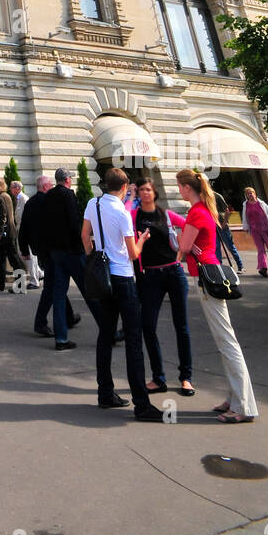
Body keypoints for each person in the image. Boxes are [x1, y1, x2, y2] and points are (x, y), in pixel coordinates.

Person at [176, 169, 258, 423]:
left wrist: (178, 241)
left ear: (187, 188)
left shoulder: (196, 212)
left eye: (179, 186)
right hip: (210, 277)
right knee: (225, 342)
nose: (178, 190)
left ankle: (244, 406)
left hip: (207, 280)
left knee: (227, 343)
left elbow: (184, 246)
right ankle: (234, 397)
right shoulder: (204, 210)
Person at [82, 169, 162, 421]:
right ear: (125, 186)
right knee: (133, 340)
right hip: (123, 278)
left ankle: (105, 392)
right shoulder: (122, 213)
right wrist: (142, 239)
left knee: (105, 335)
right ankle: (142, 404)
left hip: (103, 277)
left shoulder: (92, 203)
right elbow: (133, 254)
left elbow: (85, 235)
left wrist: (93, 257)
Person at [133, 178, 194, 396]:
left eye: (148, 189)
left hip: (174, 272)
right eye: (141, 190)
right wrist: (130, 197)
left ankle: (186, 377)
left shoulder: (166, 215)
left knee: (182, 326)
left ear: (155, 192)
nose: (145, 193)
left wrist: (182, 250)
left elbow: (189, 224)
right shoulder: (134, 216)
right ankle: (158, 378)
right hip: (150, 276)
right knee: (148, 326)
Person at [43, 167, 101, 348]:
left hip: (56, 253)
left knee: (58, 295)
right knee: (90, 290)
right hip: (72, 252)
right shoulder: (68, 196)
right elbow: (75, 223)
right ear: (67, 180)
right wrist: (85, 248)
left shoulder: (48, 196)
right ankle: (109, 330)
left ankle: (61, 338)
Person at [18, 175, 80, 336]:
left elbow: (23, 227)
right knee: (52, 287)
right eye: (50, 185)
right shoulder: (49, 202)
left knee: (57, 284)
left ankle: (68, 317)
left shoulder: (30, 202)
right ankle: (40, 322)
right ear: (45, 186)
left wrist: (24, 249)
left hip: (41, 250)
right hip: (52, 250)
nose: (52, 187)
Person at [0, 176, 25, 291]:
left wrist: (0, 232)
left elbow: (2, 217)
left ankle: (20, 286)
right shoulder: (7, 196)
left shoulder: (1, 198)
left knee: (13, 259)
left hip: (6, 234)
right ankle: (0, 283)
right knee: (1, 259)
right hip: (10, 232)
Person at [241, 185, 268, 277]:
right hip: (255, 231)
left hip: (267, 229)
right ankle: (263, 268)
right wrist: (246, 227)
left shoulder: (262, 203)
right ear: (246, 196)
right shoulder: (245, 205)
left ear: (255, 194)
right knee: (260, 250)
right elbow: (245, 217)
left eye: (251, 193)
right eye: (248, 194)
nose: (250, 195)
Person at [10, 181, 40, 288]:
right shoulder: (18, 199)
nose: (10, 190)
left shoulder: (23, 198)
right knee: (23, 254)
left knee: (29, 256)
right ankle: (39, 274)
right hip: (21, 230)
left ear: (17, 188)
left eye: (12, 187)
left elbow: (26, 217)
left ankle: (34, 280)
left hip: (25, 231)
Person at [214, 189, 244, 272]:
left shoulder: (217, 196)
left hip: (222, 226)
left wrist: (224, 223)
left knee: (230, 247)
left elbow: (227, 211)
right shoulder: (203, 197)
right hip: (213, 226)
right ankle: (220, 268)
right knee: (216, 247)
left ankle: (240, 265)